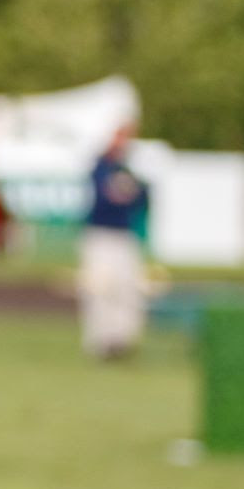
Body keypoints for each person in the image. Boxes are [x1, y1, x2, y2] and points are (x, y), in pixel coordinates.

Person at [79, 123, 151, 360]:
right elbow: (106, 197)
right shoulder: (101, 166)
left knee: (127, 288)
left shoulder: (129, 167)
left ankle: (122, 339)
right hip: (100, 233)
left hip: (123, 234)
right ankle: (101, 341)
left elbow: (141, 198)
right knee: (100, 288)